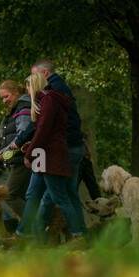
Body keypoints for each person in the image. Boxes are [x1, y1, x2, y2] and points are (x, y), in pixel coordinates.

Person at [19, 72, 86, 239]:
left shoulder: (48, 101)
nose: (27, 92)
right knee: (36, 193)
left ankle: (78, 234)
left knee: (60, 197)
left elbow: (43, 130)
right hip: (46, 155)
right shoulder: (50, 100)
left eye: (27, 88)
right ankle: (27, 234)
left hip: (50, 156)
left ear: (33, 86)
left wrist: (29, 154)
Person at [32, 59, 87, 218]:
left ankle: (36, 232)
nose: (33, 80)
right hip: (73, 145)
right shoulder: (61, 89)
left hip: (64, 148)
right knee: (68, 193)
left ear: (45, 73)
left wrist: (31, 150)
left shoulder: (51, 93)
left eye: (34, 76)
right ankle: (79, 232)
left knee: (53, 195)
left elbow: (45, 126)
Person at [0, 79, 33, 230]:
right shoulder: (15, 109)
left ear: (16, 92)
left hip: (22, 160)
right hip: (16, 160)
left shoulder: (22, 108)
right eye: (2, 98)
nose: (4, 101)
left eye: (6, 96)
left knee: (9, 195)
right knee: (23, 196)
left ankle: (33, 225)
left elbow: (22, 136)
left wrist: (7, 154)